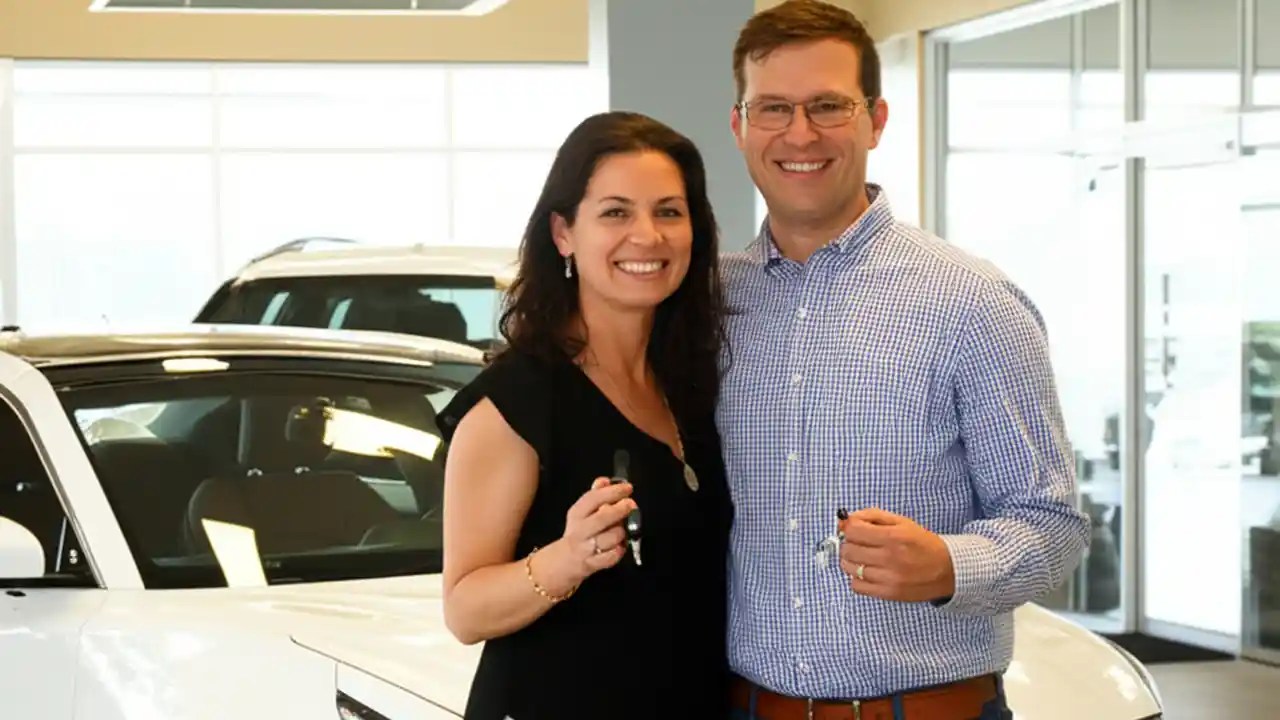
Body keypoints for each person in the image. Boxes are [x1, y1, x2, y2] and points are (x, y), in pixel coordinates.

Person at [717, 2, 1092, 718]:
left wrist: (951, 566)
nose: (801, 133)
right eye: (773, 108)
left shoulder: (972, 303)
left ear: (875, 120)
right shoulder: (710, 306)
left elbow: (1052, 523)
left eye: (828, 105)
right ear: (739, 125)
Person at [435, 110, 733, 720]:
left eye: (669, 212)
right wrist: (566, 558)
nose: (647, 236)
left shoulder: (698, 386)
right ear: (564, 233)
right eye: (616, 212)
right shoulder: (515, 403)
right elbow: (465, 610)